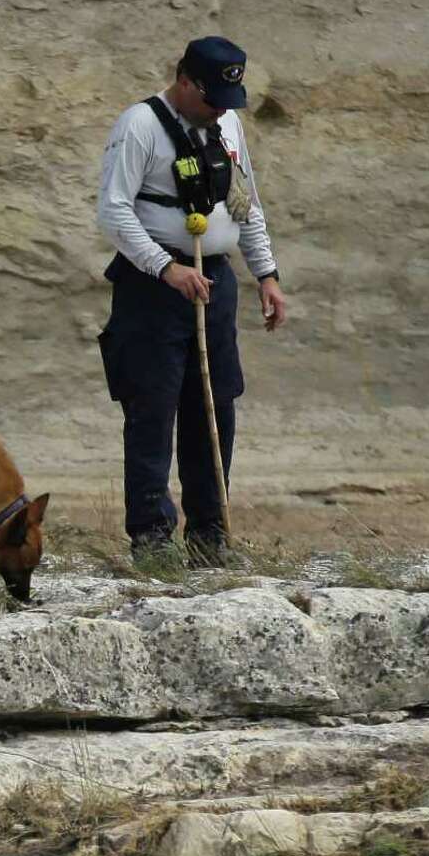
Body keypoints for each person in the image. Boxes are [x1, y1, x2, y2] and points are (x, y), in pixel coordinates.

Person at [95, 35, 288, 565]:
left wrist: (265, 273)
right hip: (153, 286)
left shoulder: (227, 123)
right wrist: (165, 268)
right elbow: (113, 211)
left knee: (213, 407)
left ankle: (210, 534)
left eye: (229, 103)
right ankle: (152, 537)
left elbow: (245, 204)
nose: (220, 112)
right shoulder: (139, 126)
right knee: (152, 409)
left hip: (213, 283)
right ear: (184, 81)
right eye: (211, 102)